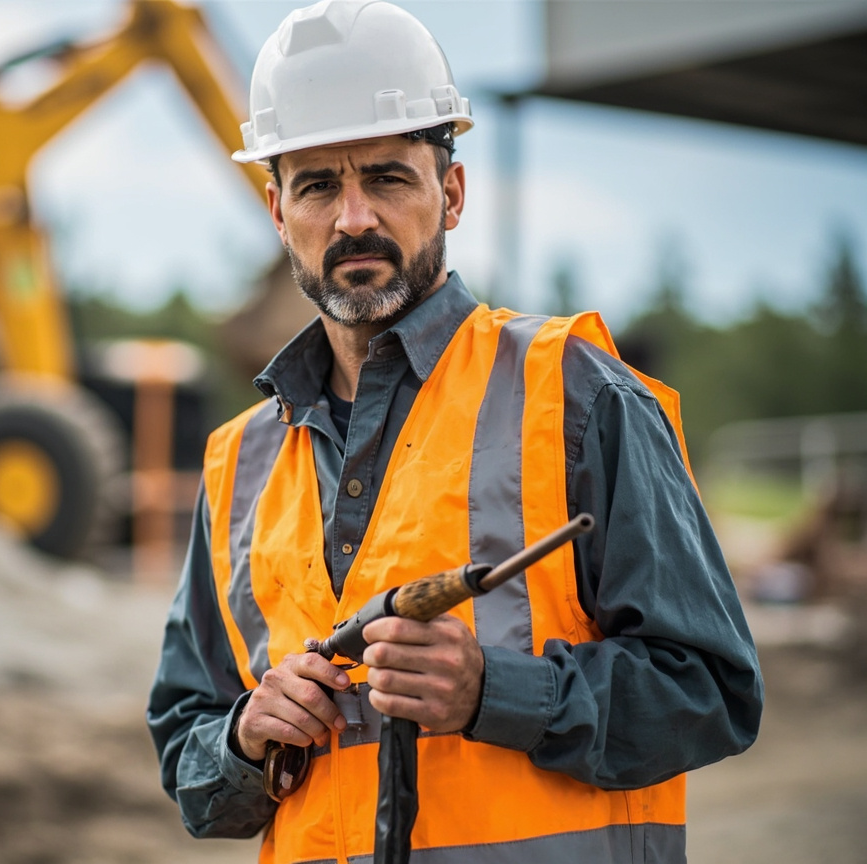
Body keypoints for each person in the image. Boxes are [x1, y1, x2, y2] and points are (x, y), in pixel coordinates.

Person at [147, 2, 763, 862]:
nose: (353, 217)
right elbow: (190, 756)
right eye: (317, 184)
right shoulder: (240, 461)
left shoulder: (580, 395)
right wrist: (246, 738)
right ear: (278, 213)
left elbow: (713, 694)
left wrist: (496, 692)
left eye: (389, 178)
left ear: (453, 192)